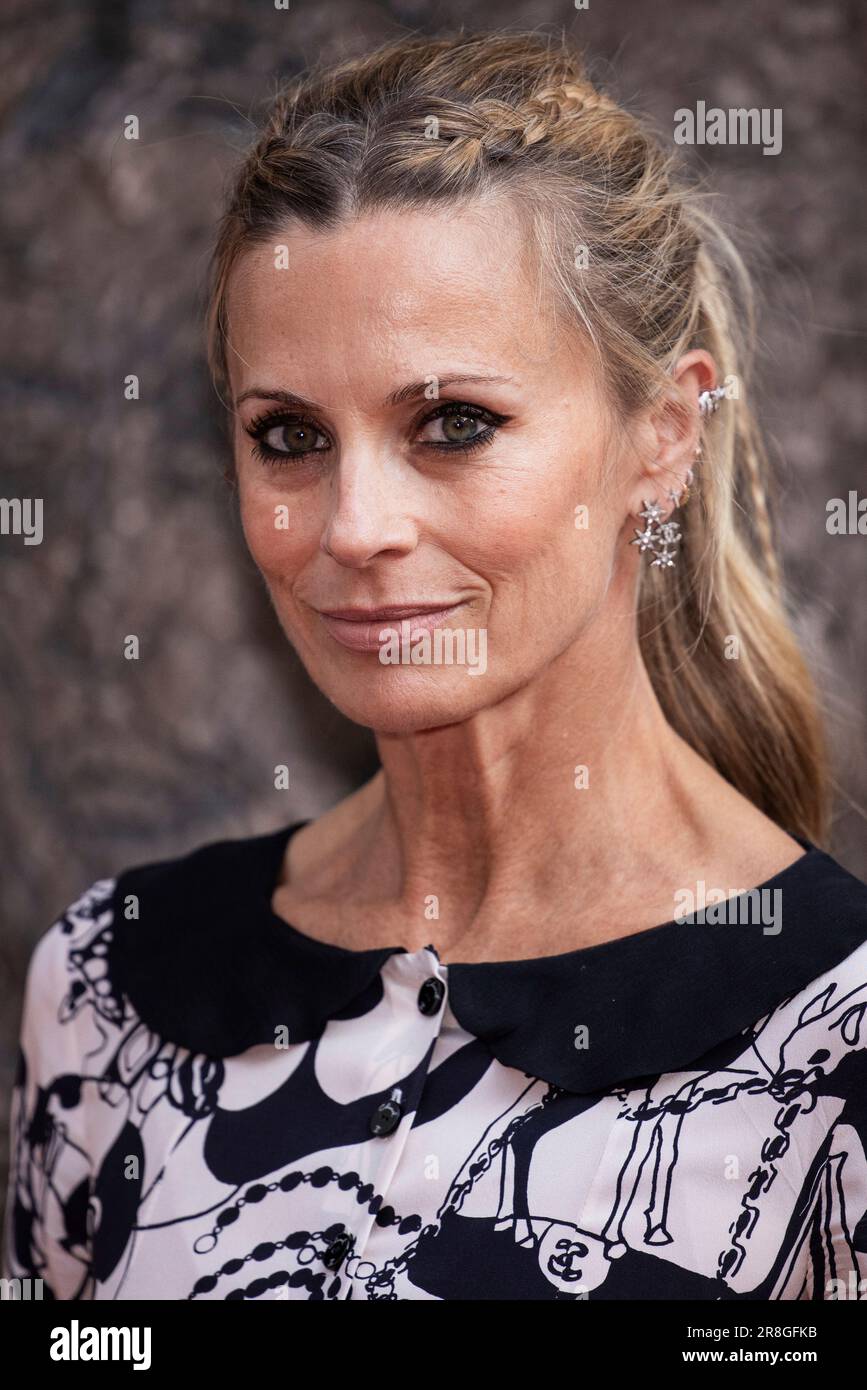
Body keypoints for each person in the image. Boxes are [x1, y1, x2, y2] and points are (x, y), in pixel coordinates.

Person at [4, 29, 866, 1302]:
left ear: (663, 438)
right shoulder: (103, 990)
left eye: (454, 424)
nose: (354, 527)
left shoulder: (838, 1043)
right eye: (287, 435)